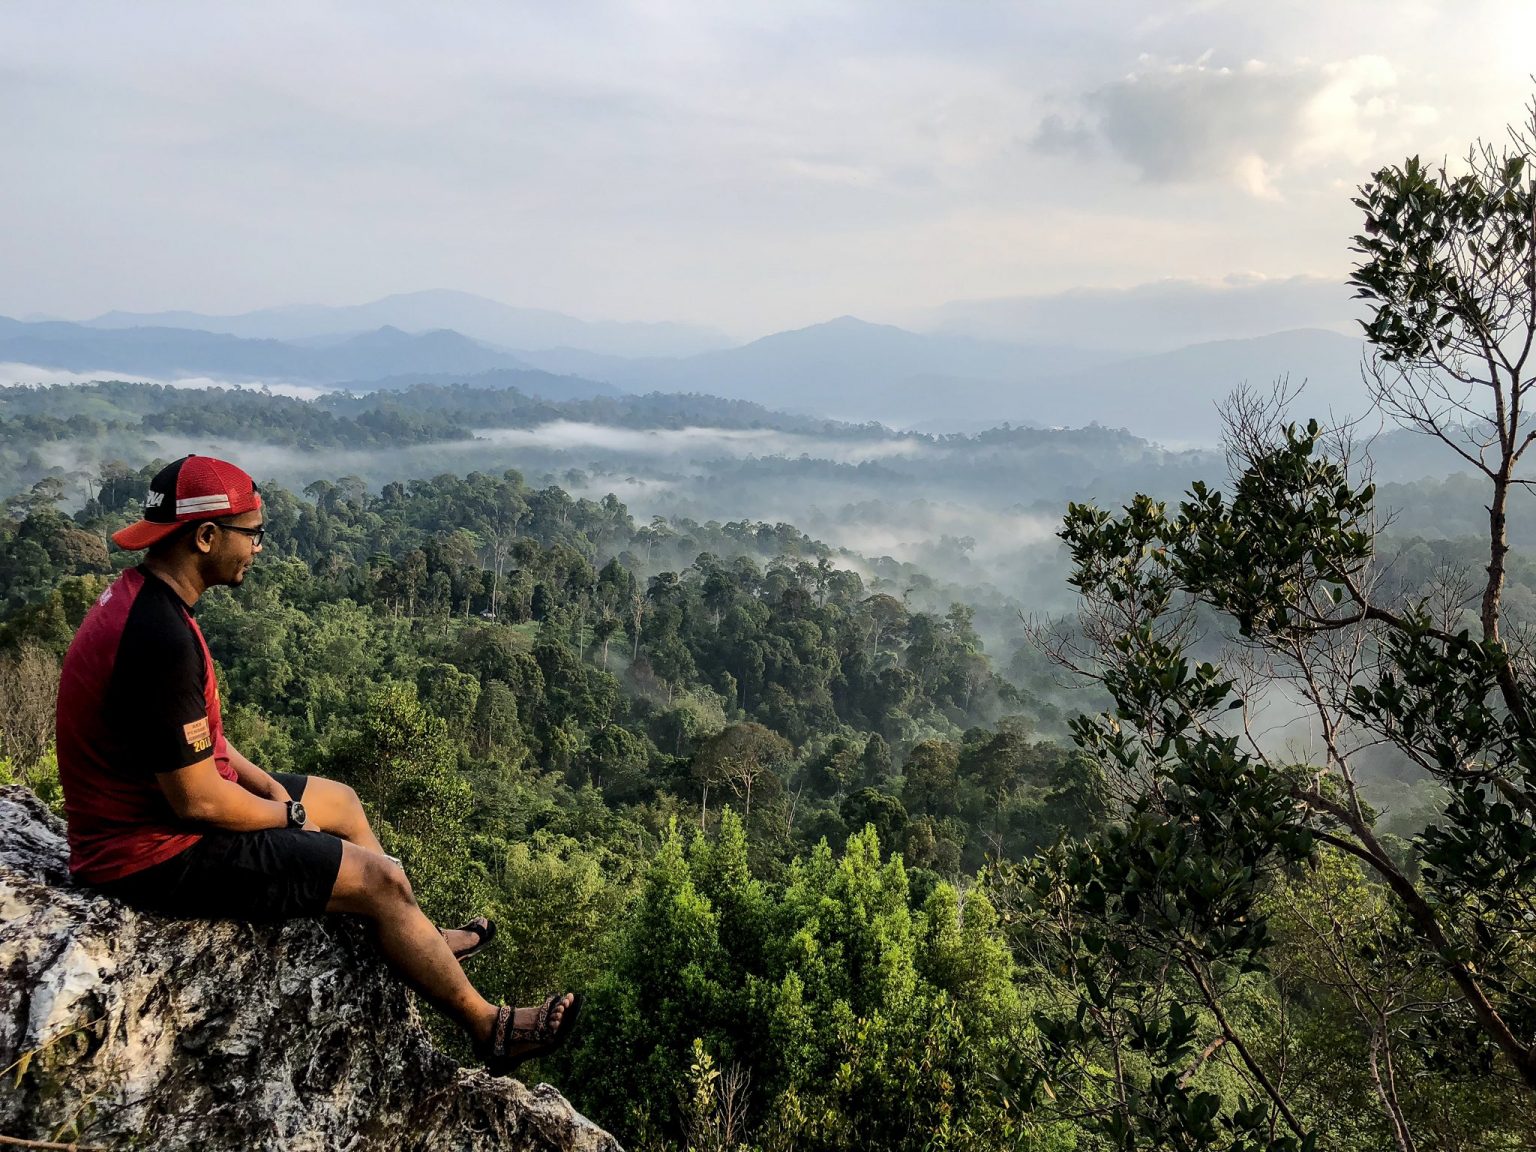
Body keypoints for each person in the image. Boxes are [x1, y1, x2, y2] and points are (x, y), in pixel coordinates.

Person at [55, 454, 578, 1074]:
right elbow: (197, 801)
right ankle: (489, 1026)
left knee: (345, 802)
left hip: (158, 811)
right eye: (253, 533)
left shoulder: (147, 600)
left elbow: (198, 745)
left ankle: (421, 940)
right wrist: (288, 814)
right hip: (149, 852)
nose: (258, 547)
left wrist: (273, 790)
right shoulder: (160, 638)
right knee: (378, 881)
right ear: (205, 536)